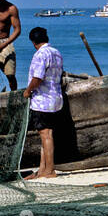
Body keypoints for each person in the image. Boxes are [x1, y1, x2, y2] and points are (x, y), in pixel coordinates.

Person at [24, 27, 64, 179]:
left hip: (43, 100)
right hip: (56, 99)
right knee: (46, 135)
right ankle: (42, 169)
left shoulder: (40, 54)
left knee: (45, 135)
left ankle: (50, 170)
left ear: (33, 42)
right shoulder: (56, 53)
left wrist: (28, 91)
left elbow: (38, 78)